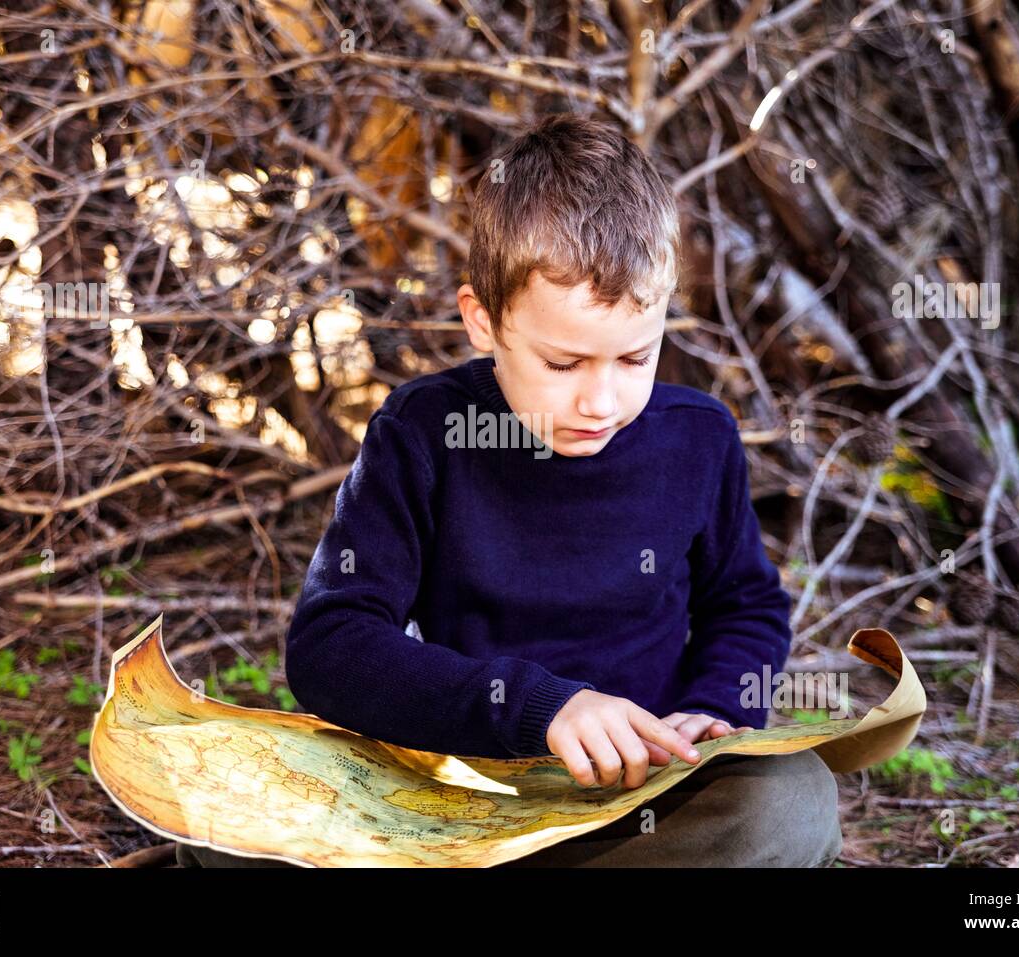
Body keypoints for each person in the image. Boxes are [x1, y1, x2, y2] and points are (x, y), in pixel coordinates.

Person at [176, 113, 842, 868]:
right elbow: (331, 644)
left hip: (637, 805)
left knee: (792, 798)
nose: (600, 400)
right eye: (563, 364)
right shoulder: (423, 432)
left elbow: (745, 603)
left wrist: (715, 708)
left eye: (635, 357)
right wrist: (537, 707)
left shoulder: (698, 437)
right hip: (457, 799)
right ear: (483, 322)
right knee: (226, 813)